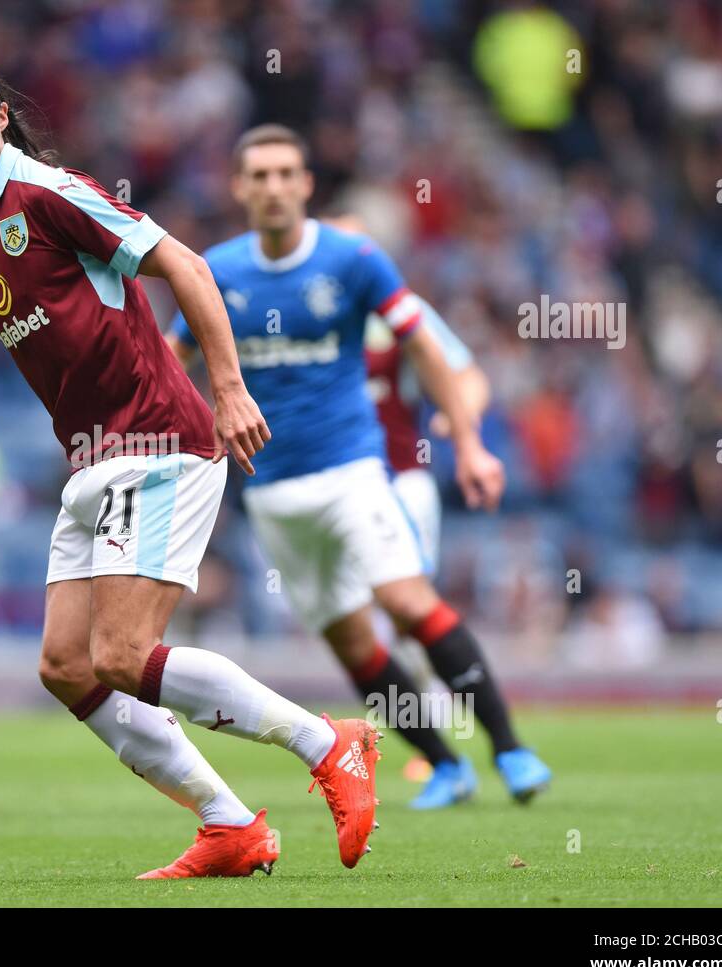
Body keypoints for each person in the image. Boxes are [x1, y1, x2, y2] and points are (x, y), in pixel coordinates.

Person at [0, 52, 381, 878]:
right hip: (89, 460)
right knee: (65, 667)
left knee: (123, 656)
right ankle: (229, 823)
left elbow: (185, 265)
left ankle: (328, 741)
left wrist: (227, 389)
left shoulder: (49, 194)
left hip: (158, 438)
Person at [169, 125, 551, 807]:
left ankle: (510, 748)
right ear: (238, 188)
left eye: (287, 172)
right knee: (352, 647)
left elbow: (426, 345)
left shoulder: (353, 258)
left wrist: (466, 442)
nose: (274, 186)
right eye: (258, 175)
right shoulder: (214, 271)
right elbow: (174, 364)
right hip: (271, 491)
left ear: (307, 183)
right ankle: (445, 764)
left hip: (353, 470)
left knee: (408, 603)